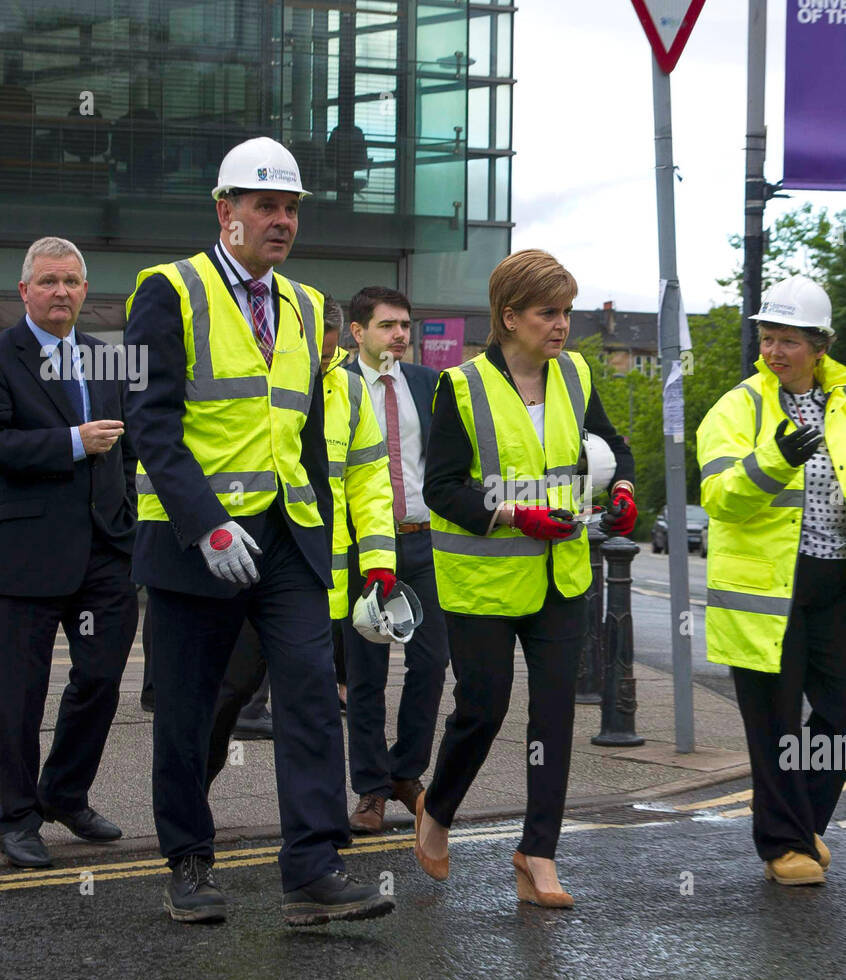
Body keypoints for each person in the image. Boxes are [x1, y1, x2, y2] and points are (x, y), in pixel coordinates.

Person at [122, 136, 393, 926]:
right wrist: (205, 525)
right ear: (225, 210)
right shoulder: (165, 291)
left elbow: (310, 434)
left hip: (288, 540)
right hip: (193, 541)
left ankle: (311, 867)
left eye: (290, 209)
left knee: (311, 697)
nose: (280, 222)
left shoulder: (309, 307)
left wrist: (332, 538)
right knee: (190, 708)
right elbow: (150, 424)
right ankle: (189, 862)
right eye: (264, 206)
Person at [413, 249, 636, 907]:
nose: (562, 325)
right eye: (548, 313)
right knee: (483, 708)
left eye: (567, 311)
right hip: (483, 584)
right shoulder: (461, 386)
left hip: (562, 577)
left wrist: (621, 485)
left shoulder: (575, 376)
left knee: (554, 717)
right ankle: (437, 810)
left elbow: (613, 447)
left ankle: (538, 854)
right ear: (509, 316)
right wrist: (512, 512)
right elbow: (441, 489)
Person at [696, 276, 846, 887]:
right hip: (766, 593)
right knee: (774, 722)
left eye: (788, 340)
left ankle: (801, 823)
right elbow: (720, 497)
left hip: (834, 584)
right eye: (767, 339)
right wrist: (777, 459)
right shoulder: (737, 408)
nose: (774, 352)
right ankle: (783, 844)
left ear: (820, 346)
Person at [0, 236, 138, 869]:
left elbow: (129, 446)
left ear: (85, 291)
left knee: (102, 679)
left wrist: (130, 515)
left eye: (72, 281)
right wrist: (68, 443)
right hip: (24, 558)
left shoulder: (106, 358)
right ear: (24, 291)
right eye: (49, 281)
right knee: (20, 696)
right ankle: (17, 817)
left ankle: (65, 792)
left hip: (105, 553)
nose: (62, 291)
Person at [203, 295, 397, 791]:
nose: (324, 362)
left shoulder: (350, 391)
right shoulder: (264, 381)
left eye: (332, 353)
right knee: (225, 696)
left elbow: (370, 482)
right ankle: (192, 796)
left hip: (316, 583)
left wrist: (378, 563)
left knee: (313, 708)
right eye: (317, 352)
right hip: (249, 566)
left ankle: (317, 830)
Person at [341, 286, 450, 835]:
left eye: (406, 325)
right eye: (388, 326)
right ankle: (370, 790)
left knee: (431, 664)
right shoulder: (334, 386)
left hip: (424, 541)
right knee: (366, 675)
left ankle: (406, 772)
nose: (401, 335)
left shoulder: (428, 386)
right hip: (365, 547)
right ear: (358, 332)